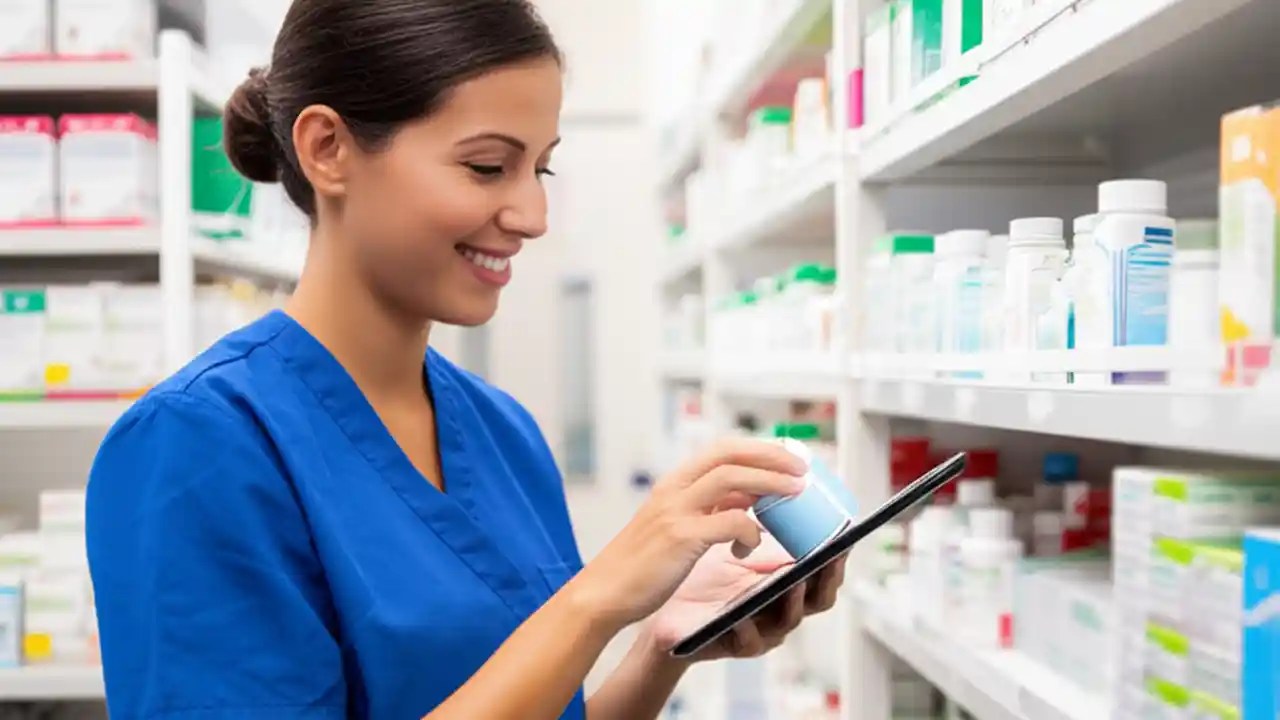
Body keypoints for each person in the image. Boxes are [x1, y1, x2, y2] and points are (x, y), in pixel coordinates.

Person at [85, 2, 848, 719]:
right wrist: (597, 600)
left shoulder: (501, 432)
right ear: (328, 149)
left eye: (540, 169)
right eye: (488, 167)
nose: (532, 217)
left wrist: (660, 648)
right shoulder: (196, 446)